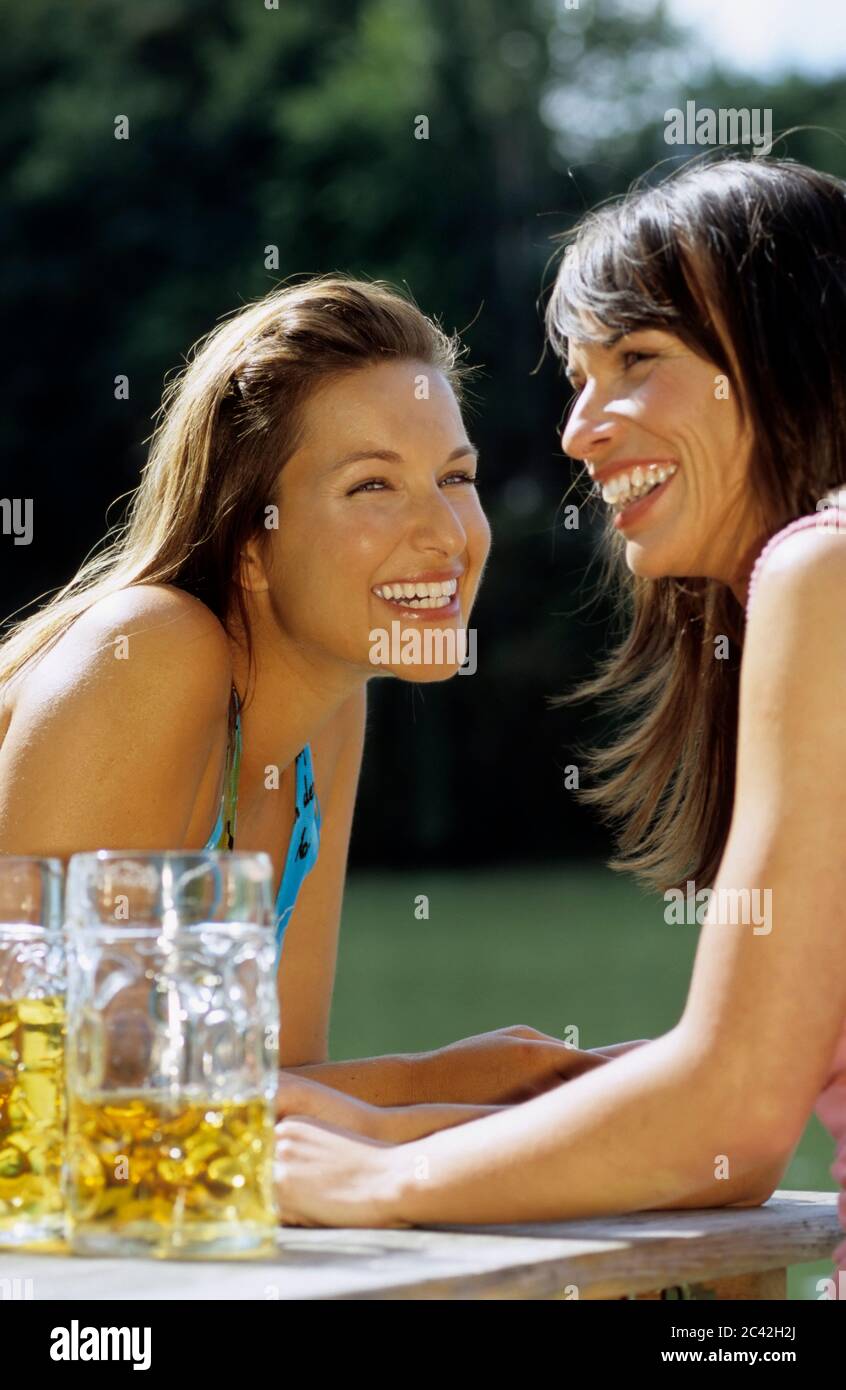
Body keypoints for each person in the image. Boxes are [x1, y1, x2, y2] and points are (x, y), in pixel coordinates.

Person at [272, 160, 846, 1276]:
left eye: (639, 360)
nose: (581, 431)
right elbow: (743, 1086)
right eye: (580, 378)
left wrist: (389, 1179)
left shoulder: (822, 572)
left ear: (793, 354)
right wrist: (400, 1121)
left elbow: (732, 1114)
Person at [1, 274, 585, 1101]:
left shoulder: (331, 704)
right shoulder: (147, 653)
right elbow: (41, 1096)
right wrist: (455, 1090)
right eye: (373, 485)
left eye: (455, 478)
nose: (447, 534)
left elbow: (275, 1086)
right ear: (249, 542)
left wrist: (535, 1084)